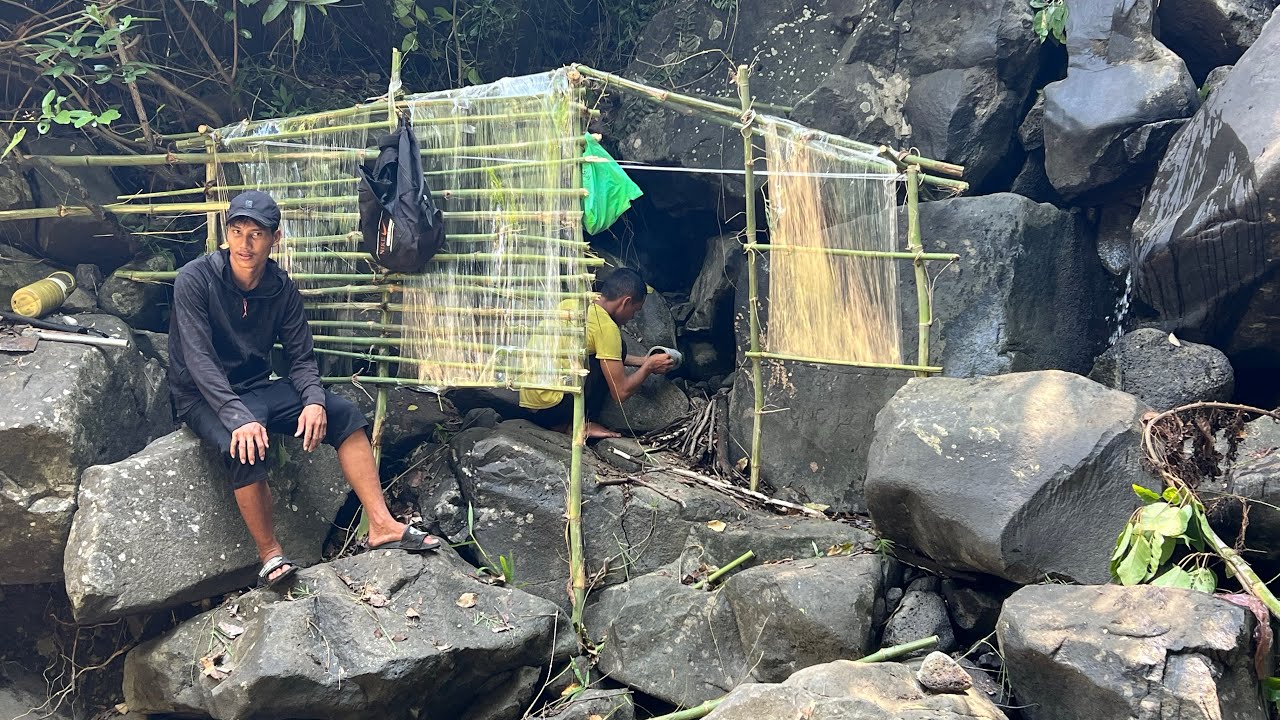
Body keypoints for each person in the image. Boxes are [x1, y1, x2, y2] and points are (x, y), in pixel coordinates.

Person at [168, 190, 438, 589]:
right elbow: (199, 360)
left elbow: (300, 357)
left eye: (256, 234)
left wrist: (313, 401)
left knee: (343, 413)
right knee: (242, 442)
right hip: (201, 395)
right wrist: (239, 418)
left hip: (256, 386)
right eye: (237, 231)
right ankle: (270, 554)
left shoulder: (280, 288)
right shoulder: (196, 279)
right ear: (227, 234)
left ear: (275, 239)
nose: (245, 244)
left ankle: (381, 525)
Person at [518, 267, 674, 439]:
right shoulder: (606, 327)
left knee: (605, 354)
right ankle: (574, 425)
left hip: (532, 402)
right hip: (554, 408)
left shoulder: (573, 303)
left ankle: (564, 422)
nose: (632, 317)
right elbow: (620, 392)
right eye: (635, 311)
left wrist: (643, 360)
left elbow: (599, 353)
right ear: (625, 302)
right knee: (618, 347)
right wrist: (649, 368)